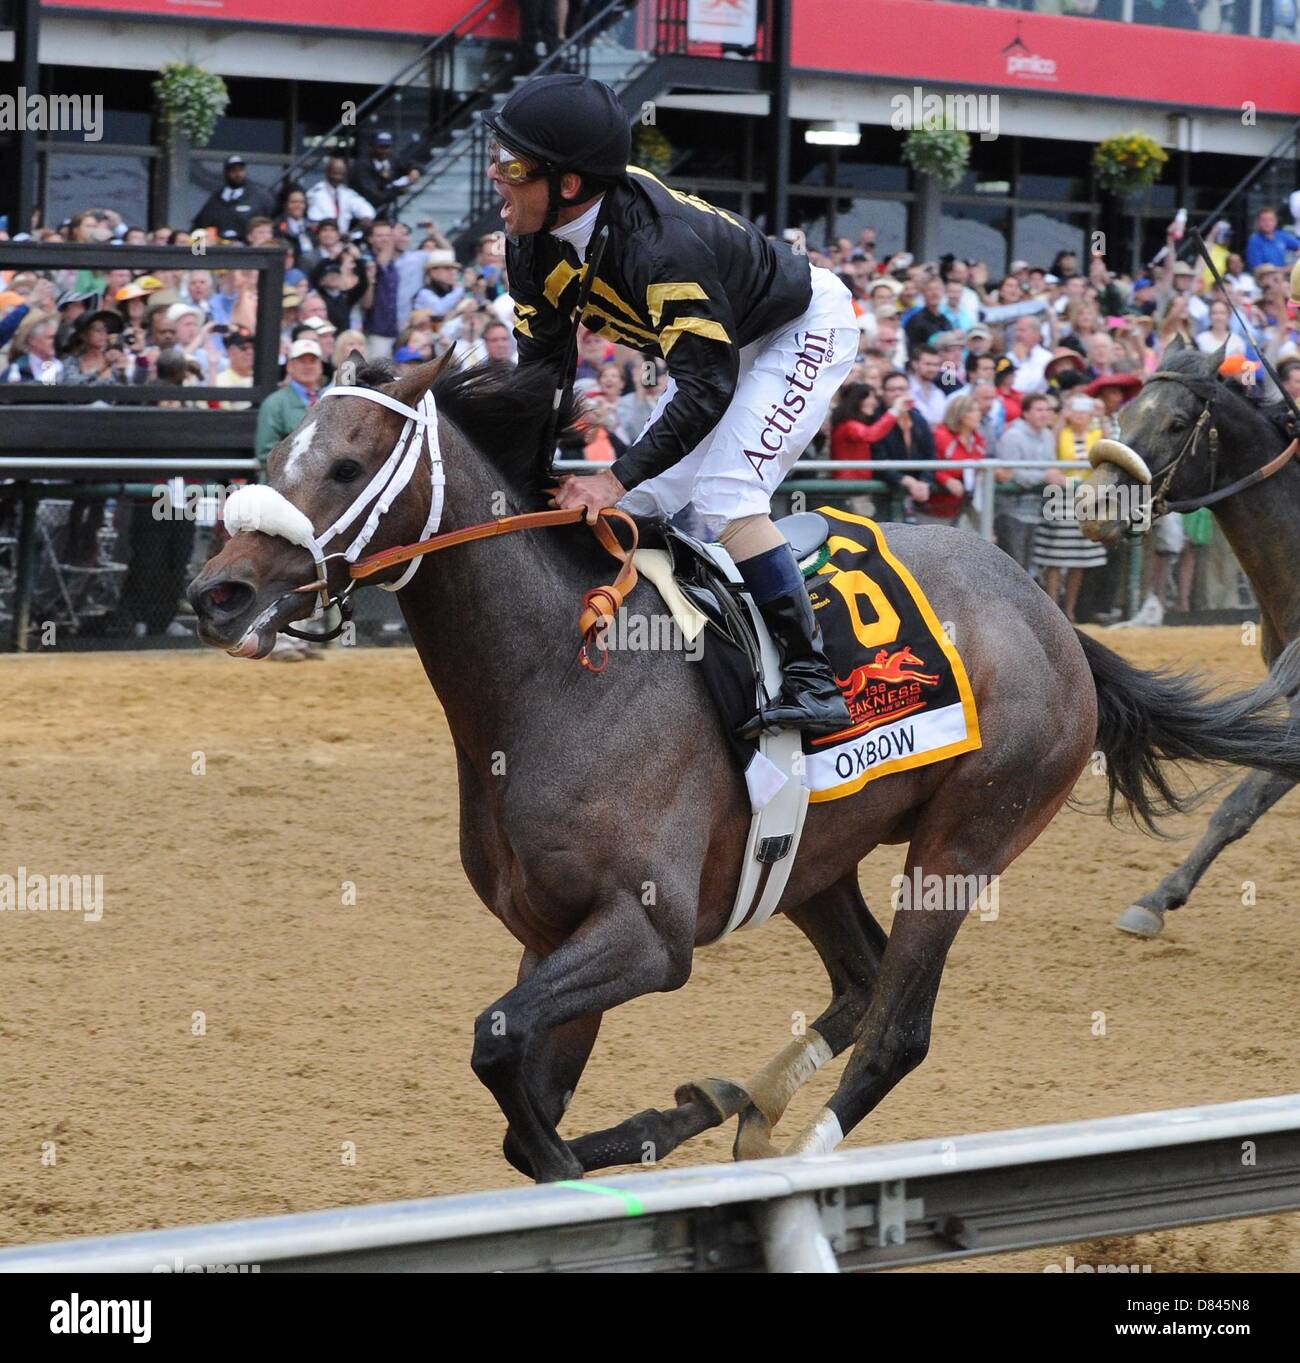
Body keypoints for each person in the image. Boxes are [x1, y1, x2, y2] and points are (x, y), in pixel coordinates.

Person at [490, 73, 857, 736]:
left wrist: (613, 473)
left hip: (801, 326)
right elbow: (544, 369)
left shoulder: (659, 246)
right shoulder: (528, 244)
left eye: (511, 164)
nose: (496, 177)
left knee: (725, 493)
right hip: (728, 341)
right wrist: (523, 476)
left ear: (568, 183)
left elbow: (708, 389)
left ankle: (813, 677)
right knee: (637, 504)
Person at [1033, 394, 1108, 622]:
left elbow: (1111, 444)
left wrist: (1102, 417)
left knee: (1080, 558)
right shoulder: (1061, 433)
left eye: (1084, 411)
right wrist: (1062, 414)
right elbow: (1053, 443)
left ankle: (1069, 610)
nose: (1079, 415)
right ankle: (1053, 607)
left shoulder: (1097, 434)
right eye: (1076, 411)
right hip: (1061, 498)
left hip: (1087, 497)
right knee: (1056, 556)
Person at [993, 391, 1053, 571]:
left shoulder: (1048, 435)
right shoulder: (1013, 436)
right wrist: (1044, 477)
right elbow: (1013, 472)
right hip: (1012, 510)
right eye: (1039, 409)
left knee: (1027, 566)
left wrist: (1049, 475)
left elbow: (1051, 466)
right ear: (1026, 413)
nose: (1044, 414)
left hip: (1036, 509)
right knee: (1014, 566)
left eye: (1047, 409)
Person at [828, 382, 901, 518]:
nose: (875, 402)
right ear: (858, 400)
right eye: (870, 397)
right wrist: (894, 411)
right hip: (851, 489)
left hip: (859, 486)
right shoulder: (849, 426)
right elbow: (870, 434)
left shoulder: (853, 423)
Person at [255, 337, 324, 470]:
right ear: (290, 366)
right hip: (284, 484)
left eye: (313, 361)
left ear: (320, 367)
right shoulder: (274, 403)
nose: (308, 366)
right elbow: (266, 454)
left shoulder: (329, 400)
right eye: (302, 361)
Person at [192, 155, 276, 242]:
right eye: (233, 170)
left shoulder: (260, 196)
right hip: (218, 250)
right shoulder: (216, 199)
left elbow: (272, 222)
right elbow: (200, 226)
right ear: (225, 173)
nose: (238, 174)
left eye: (241, 170)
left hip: (248, 250)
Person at [349, 131, 422, 220]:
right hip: (366, 212)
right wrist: (397, 191)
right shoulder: (361, 166)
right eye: (381, 147)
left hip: (386, 209)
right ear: (371, 147)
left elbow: (411, 164)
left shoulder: (391, 159)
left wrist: (414, 170)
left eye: (387, 147)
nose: (385, 151)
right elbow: (374, 196)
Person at [307, 157, 375, 236]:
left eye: (341, 171)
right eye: (335, 171)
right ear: (327, 172)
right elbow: (316, 220)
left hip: (343, 239)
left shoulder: (346, 193)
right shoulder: (316, 193)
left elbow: (365, 207)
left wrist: (366, 217)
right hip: (322, 238)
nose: (339, 173)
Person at [1245, 208, 1300, 272]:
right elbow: (1257, 269)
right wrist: (1285, 269)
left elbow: (1298, 245)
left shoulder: (1281, 235)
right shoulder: (1254, 241)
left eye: (1271, 220)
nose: (1267, 223)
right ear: (1258, 222)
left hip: (1282, 276)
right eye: (1264, 220)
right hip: (1263, 279)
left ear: (1276, 221)